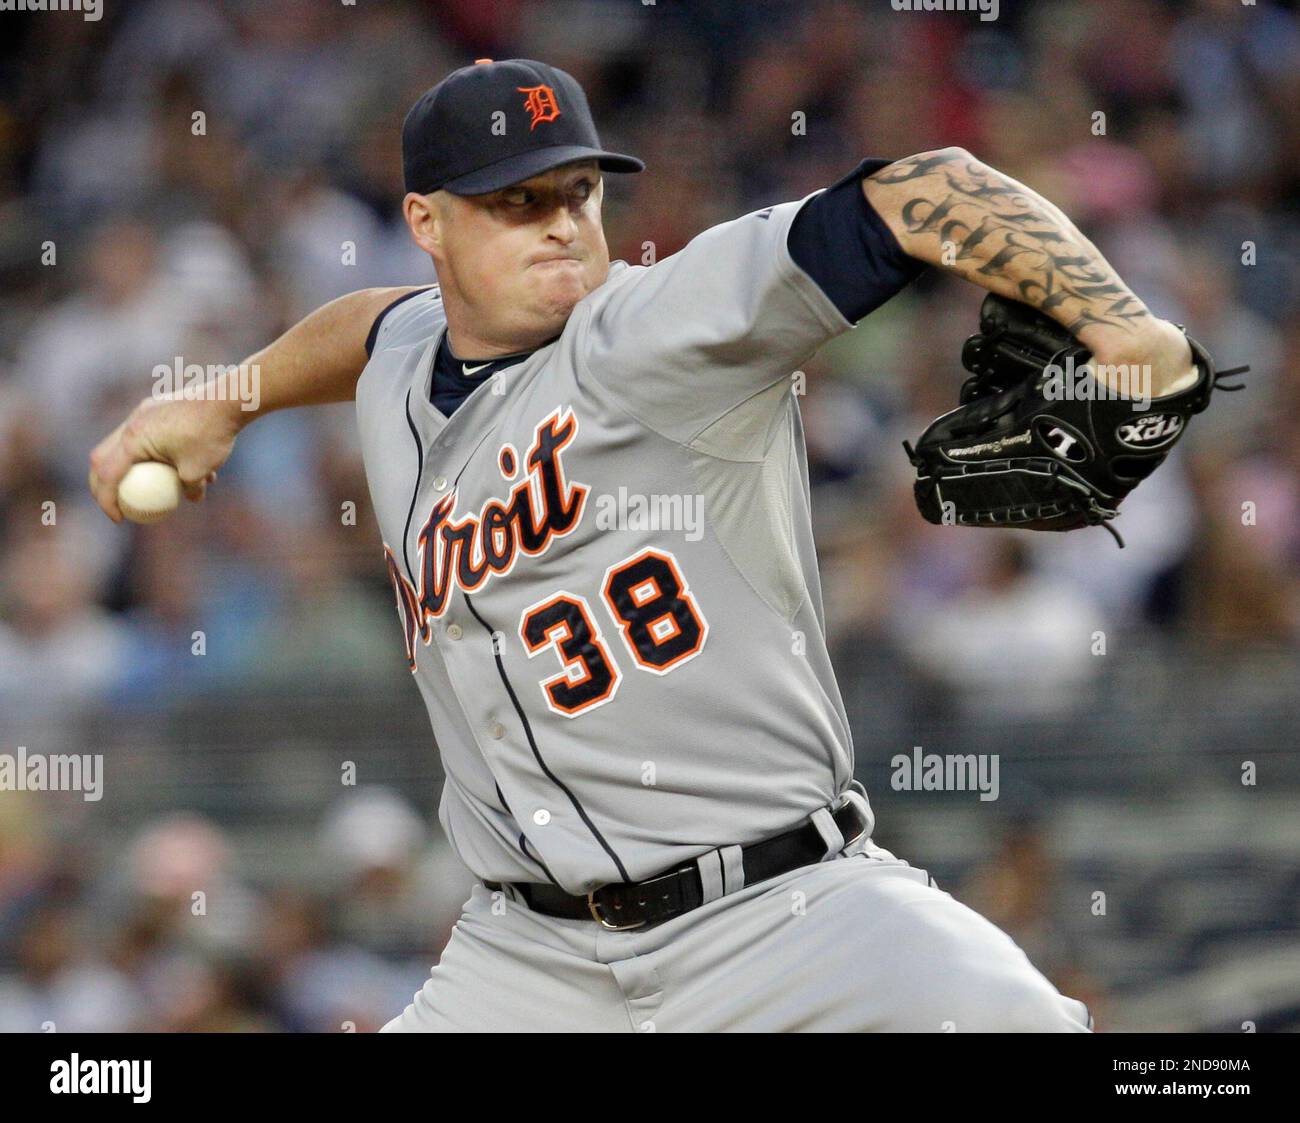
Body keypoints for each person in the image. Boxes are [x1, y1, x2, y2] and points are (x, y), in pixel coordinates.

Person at [90, 59, 1197, 1032]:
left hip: (785, 913)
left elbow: (922, 189)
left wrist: (1125, 329)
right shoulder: (406, 351)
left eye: (577, 191)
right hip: (527, 959)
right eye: (516, 201)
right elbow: (368, 328)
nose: (563, 222)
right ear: (428, 224)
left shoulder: (664, 324)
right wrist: (230, 398)